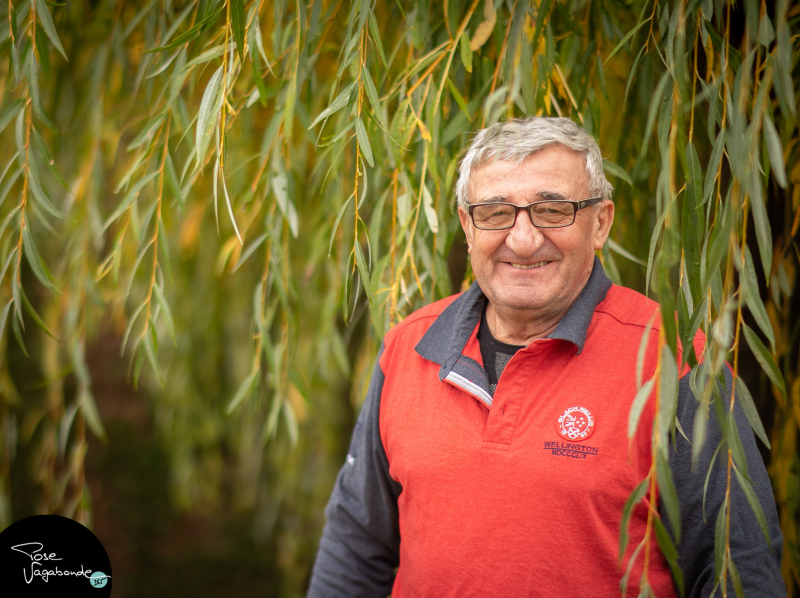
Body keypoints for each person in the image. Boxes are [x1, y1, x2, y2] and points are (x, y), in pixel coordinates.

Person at [306, 117, 785, 597]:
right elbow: (355, 547)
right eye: (495, 212)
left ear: (600, 223)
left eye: (553, 210)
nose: (523, 239)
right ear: (467, 226)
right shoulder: (408, 349)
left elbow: (738, 571)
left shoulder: (676, 361)